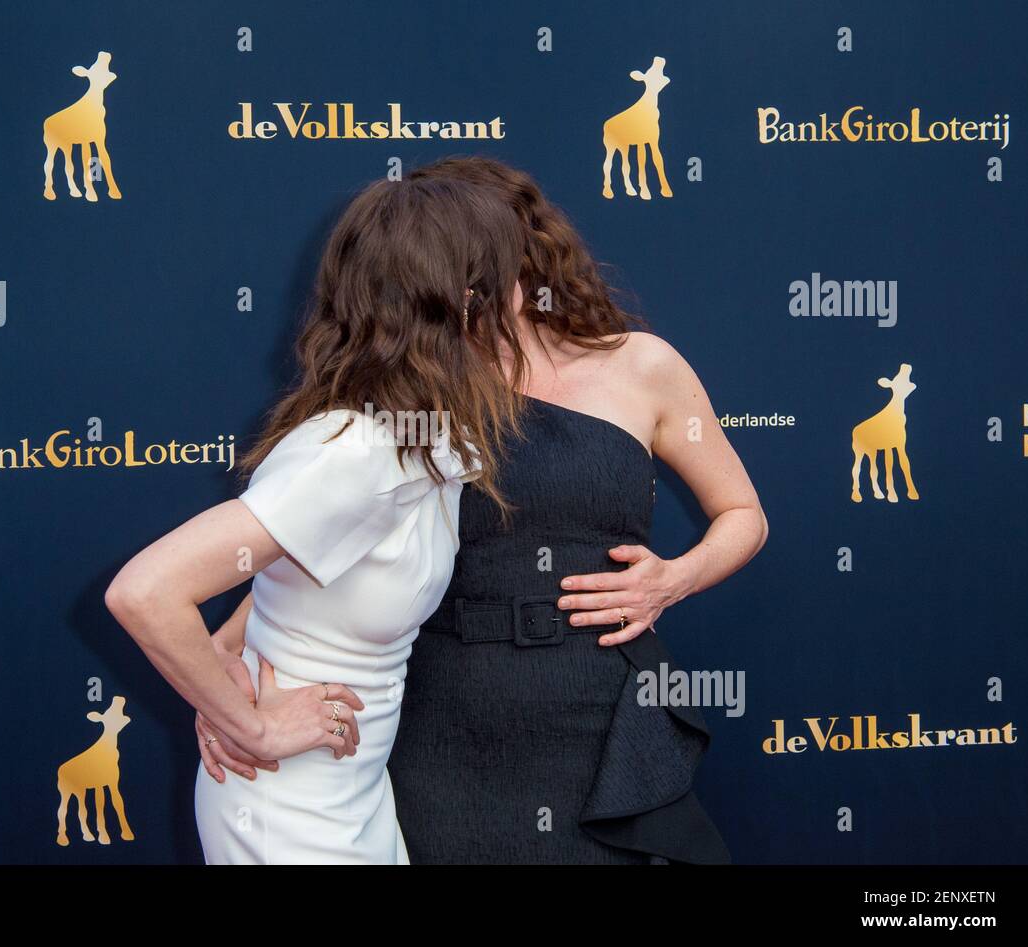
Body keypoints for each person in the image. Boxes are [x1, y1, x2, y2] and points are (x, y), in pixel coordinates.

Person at [199, 157, 769, 864]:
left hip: (597, 707)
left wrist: (673, 578)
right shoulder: (417, 386)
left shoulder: (642, 366)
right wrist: (232, 692)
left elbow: (743, 512)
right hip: (441, 721)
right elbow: (306, 545)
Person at [105, 173, 529, 863]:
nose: (524, 298)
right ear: (465, 302)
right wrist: (250, 724)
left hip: (354, 794)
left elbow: (298, 563)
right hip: (287, 806)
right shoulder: (357, 453)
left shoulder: (432, 436)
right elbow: (145, 590)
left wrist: (222, 659)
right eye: (513, 276)